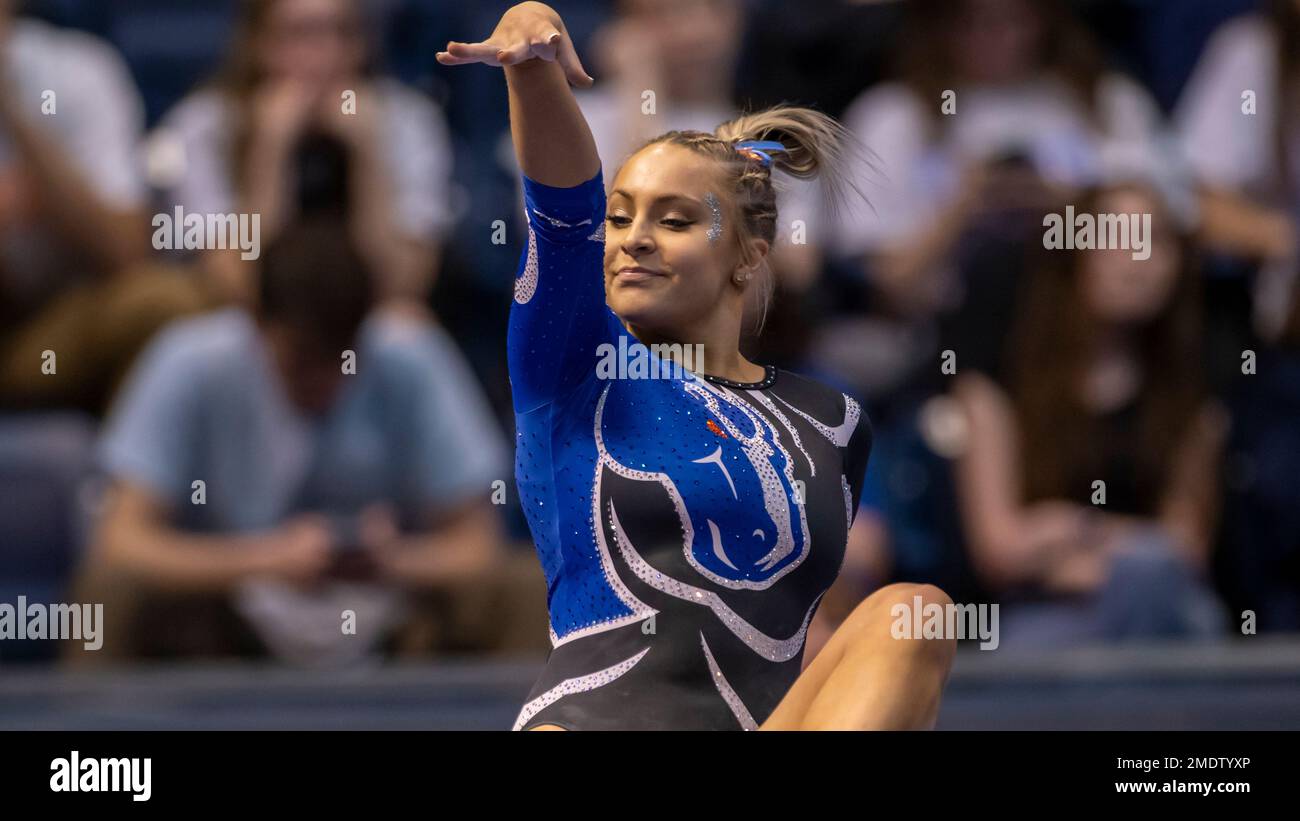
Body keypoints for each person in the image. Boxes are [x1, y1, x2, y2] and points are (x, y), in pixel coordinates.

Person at [437, 1, 955, 731]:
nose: (634, 240)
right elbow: (562, 216)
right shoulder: (578, 365)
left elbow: (805, 617)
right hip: (594, 722)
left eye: (673, 220)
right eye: (622, 218)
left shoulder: (833, 421)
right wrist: (532, 64)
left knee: (916, 613)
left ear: (749, 254)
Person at [69, 216, 520, 666]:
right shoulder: (187, 361)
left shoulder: (413, 356)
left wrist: (393, 560)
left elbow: (478, 549)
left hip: (389, 616)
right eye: (301, 360)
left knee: (524, 590)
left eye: (340, 360)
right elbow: (120, 544)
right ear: (256, 323)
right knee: (110, 596)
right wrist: (264, 559)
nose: (323, 382)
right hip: (225, 623)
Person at [951, 182, 1227, 647]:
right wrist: (1128, 547)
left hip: (1165, 607)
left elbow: (1185, 547)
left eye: (1159, 241)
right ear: (1073, 254)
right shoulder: (996, 385)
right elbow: (999, 548)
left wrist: (1071, 528)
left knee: (1157, 586)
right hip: (1040, 611)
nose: (1142, 260)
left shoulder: (1188, 391)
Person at [154, 0, 455, 306]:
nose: (326, 54)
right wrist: (271, 149)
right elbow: (237, 285)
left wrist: (367, 153)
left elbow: (402, 286)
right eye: (301, 33)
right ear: (259, 45)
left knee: (408, 341)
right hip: (247, 327)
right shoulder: (204, 125)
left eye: (342, 32)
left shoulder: (407, 120)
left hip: (368, 319)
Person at [0, 0, 207, 414]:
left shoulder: (78, 70)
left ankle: (128, 474)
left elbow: (126, 251)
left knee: (164, 300)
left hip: (45, 325)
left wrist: (12, 108)